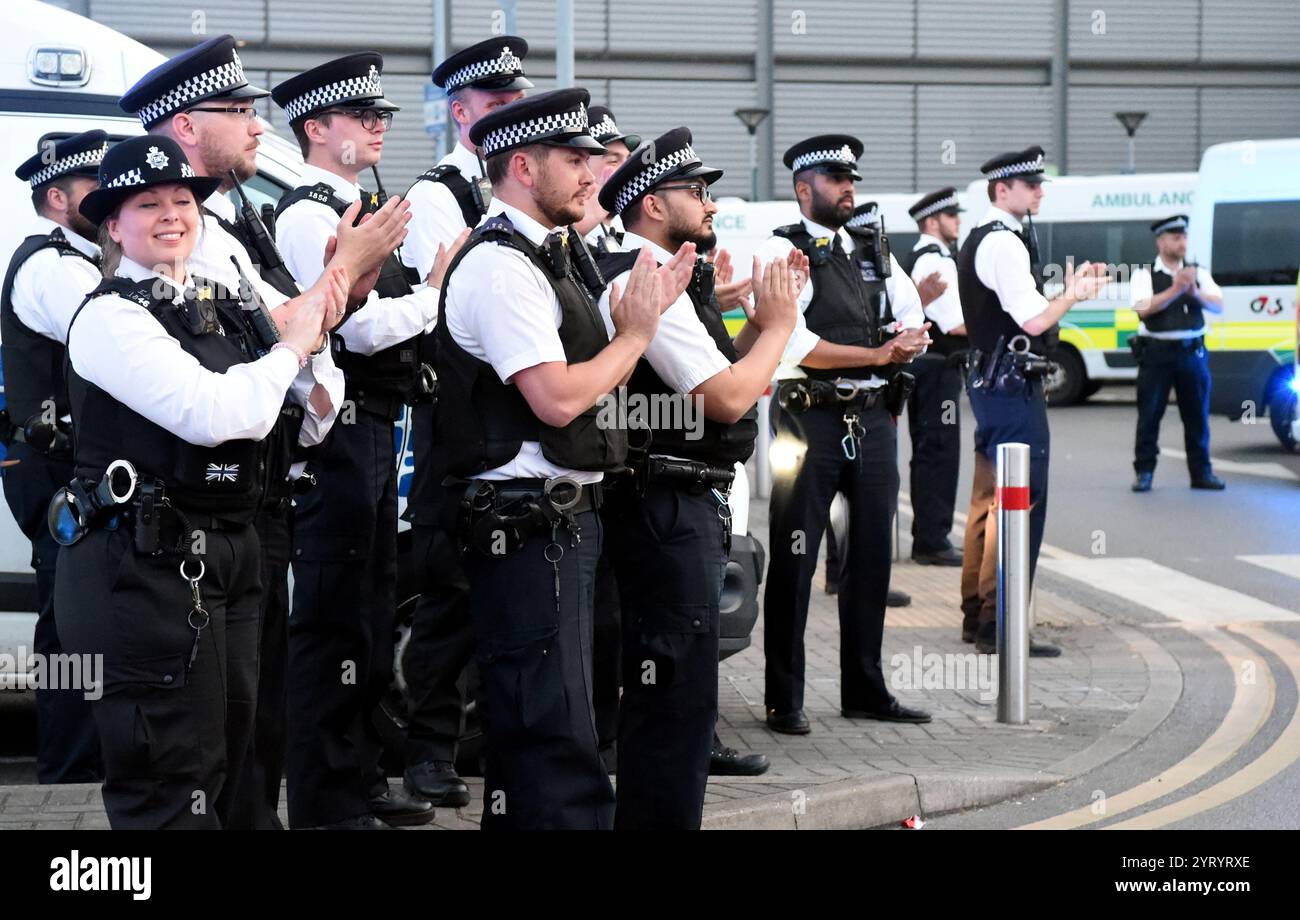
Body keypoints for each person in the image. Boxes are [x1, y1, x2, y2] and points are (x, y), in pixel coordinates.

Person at [117, 32, 403, 828]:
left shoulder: (229, 225)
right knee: (214, 736)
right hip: (195, 516)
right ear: (184, 126)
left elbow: (290, 328)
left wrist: (339, 294)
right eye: (237, 110)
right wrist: (345, 270)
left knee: (255, 713)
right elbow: (265, 348)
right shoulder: (183, 249)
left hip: (260, 495)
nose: (256, 125)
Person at [53, 134, 347, 829]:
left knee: (228, 765)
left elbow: (309, 416)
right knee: (170, 779)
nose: (171, 215)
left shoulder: (218, 303)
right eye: (147, 204)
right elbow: (215, 415)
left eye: (182, 200)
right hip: (143, 570)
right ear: (113, 225)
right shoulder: (111, 315)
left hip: (226, 552)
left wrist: (300, 350)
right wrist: (290, 348)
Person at [435, 88, 689, 829]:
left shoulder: (551, 251)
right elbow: (555, 398)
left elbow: (589, 371)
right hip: (528, 528)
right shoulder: (503, 266)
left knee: (546, 727)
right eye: (575, 160)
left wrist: (639, 318)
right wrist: (636, 335)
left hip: (555, 525)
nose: (592, 174)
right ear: (523, 166)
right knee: (554, 737)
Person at [271, 52, 459, 829]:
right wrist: (435, 294)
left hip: (376, 427)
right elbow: (356, 327)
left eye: (383, 114)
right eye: (363, 115)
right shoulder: (309, 214)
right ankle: (326, 802)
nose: (380, 125)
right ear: (317, 128)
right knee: (333, 619)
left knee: (373, 612)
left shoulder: (363, 206)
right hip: (336, 435)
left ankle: (361, 780)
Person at [594, 127, 798, 825]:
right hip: (666, 504)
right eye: (696, 191)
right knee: (674, 702)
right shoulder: (644, 276)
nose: (710, 204)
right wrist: (779, 328)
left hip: (679, 498)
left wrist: (759, 326)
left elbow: (716, 370)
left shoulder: (670, 272)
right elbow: (729, 397)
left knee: (675, 698)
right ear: (653, 204)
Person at [395, 36, 533, 806]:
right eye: (497, 104)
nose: (512, 113)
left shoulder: (523, 185)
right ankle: (428, 754)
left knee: (511, 596)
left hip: (521, 412)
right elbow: (440, 303)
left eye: (517, 101)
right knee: (447, 594)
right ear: (461, 113)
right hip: (457, 416)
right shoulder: (438, 197)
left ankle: (506, 748)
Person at [757, 136, 934, 736]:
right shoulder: (783, 250)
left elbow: (912, 317)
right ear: (803, 189)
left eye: (851, 178)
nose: (848, 188)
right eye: (836, 179)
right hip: (809, 419)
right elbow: (793, 343)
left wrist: (907, 341)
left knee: (871, 556)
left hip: (873, 419)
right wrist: (880, 352)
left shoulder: (871, 250)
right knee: (796, 557)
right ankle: (783, 698)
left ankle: (865, 689)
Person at [956, 145, 1109, 656]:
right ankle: (1001, 627)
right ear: (1003, 189)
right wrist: (1074, 294)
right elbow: (1034, 320)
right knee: (1020, 504)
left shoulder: (985, 236)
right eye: (1031, 184)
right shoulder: (1004, 242)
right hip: (1011, 387)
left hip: (991, 385)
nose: (1041, 191)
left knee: (989, 502)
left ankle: (979, 618)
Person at [1, 130, 108, 784]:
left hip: (66, 464)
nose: (110, 195)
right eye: (95, 186)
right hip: (55, 467)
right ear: (59, 198)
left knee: (84, 616)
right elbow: (111, 341)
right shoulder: (54, 267)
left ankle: (85, 765)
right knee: (68, 624)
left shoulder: (82, 260)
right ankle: (68, 774)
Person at [1129, 214, 1225, 492]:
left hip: (1192, 353)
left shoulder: (1198, 272)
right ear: (1161, 242)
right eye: (1175, 238)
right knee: (1149, 416)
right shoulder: (1144, 273)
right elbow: (1142, 308)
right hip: (1156, 354)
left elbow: (1218, 305)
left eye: (1184, 237)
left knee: (1197, 416)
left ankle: (1201, 473)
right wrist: (1175, 289)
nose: (1182, 243)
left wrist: (1193, 292)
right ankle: (1144, 472)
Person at [904, 187, 968, 566]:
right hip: (937, 368)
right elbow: (955, 324)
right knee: (939, 452)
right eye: (951, 215)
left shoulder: (932, 257)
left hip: (930, 368)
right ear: (932, 222)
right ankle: (932, 540)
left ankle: (930, 536)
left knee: (931, 451)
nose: (957, 221)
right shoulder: (934, 260)